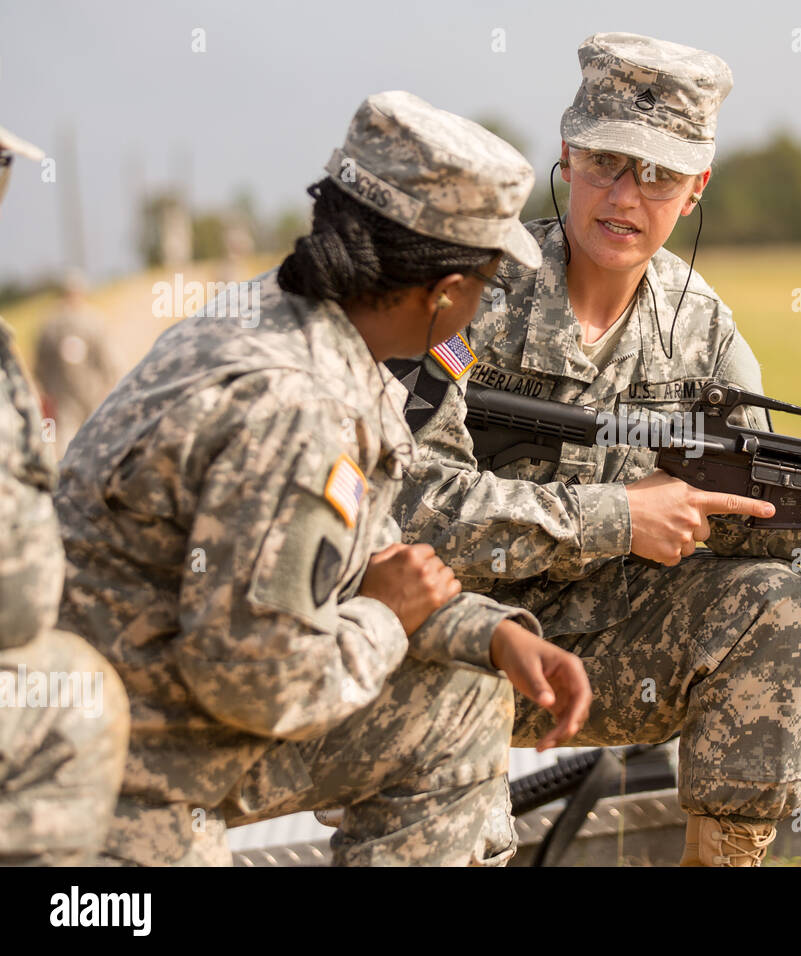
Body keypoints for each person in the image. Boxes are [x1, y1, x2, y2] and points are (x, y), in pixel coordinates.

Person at [391, 34, 801, 866]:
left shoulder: (701, 326)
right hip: (444, 642)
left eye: (658, 175)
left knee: (778, 603)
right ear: (566, 155)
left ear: (697, 186)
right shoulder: (472, 298)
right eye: (605, 162)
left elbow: (758, 502)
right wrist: (618, 516)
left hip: (602, 647)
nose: (624, 196)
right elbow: (406, 506)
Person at [54, 92, 590, 866]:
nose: (481, 306)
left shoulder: (279, 316)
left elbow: (357, 563)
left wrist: (491, 633)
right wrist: (384, 618)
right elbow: (259, 682)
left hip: (143, 703)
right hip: (124, 766)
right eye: (489, 283)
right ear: (445, 290)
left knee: (464, 696)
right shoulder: (300, 406)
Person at [0, 121, 129, 865]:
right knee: (77, 700)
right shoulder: (73, 323)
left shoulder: (48, 324)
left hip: (67, 410)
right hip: (82, 411)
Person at [34, 268, 121, 459]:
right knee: (92, 441)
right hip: (73, 395)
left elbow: (40, 365)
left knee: (69, 442)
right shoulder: (92, 321)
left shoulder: (51, 324)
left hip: (81, 393)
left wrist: (46, 388)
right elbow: (110, 360)